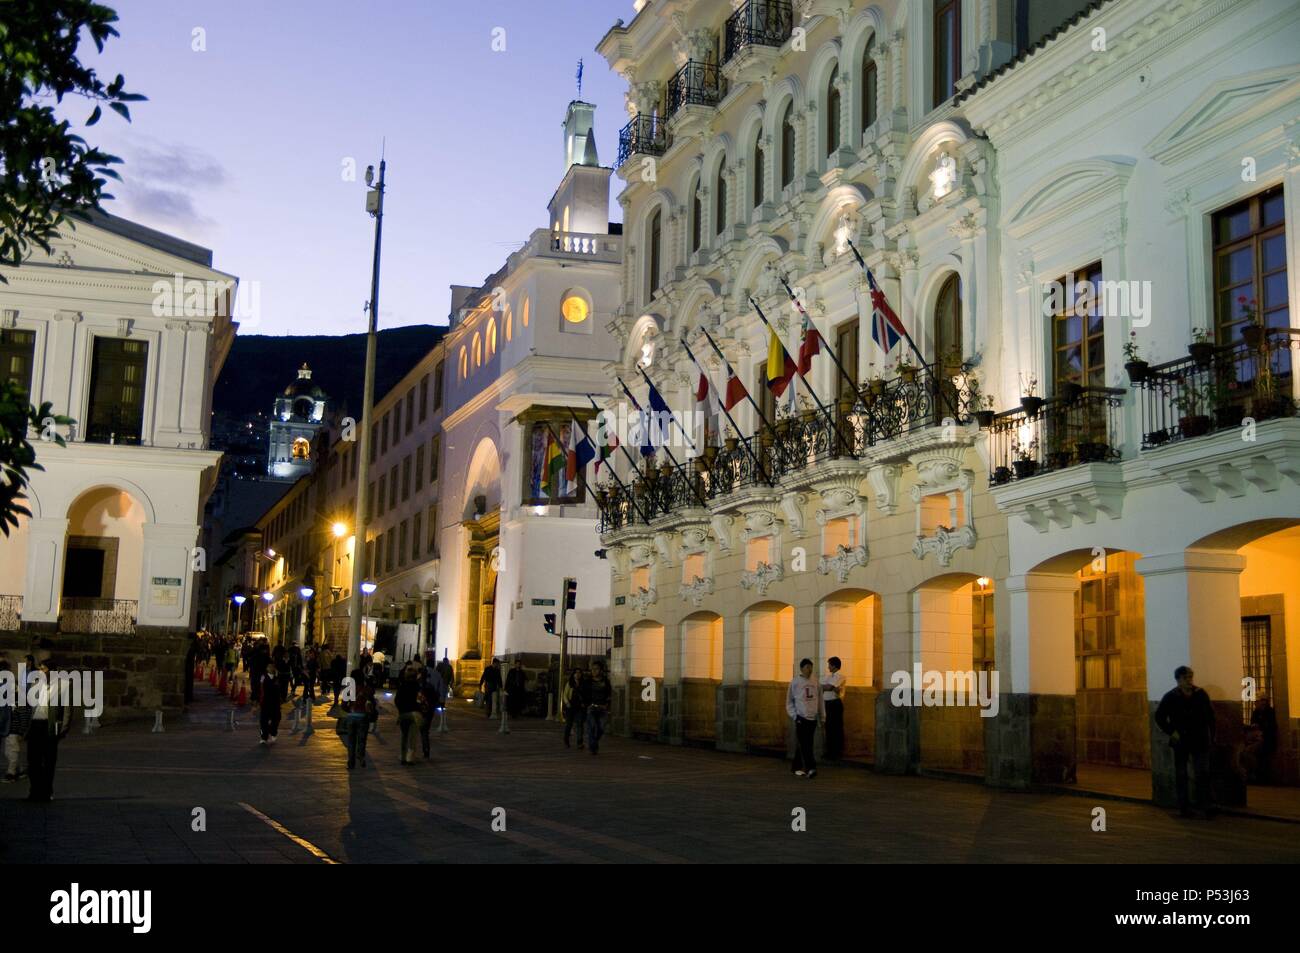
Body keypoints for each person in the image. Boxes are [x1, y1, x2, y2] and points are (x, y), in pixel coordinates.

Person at [1154, 665, 1217, 818]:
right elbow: (1159, 717)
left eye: (1190, 677)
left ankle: (1205, 805)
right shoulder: (1171, 696)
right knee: (1181, 774)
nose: (1189, 680)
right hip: (1181, 739)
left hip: (1200, 738)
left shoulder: (1200, 694)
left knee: (1203, 772)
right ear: (1178, 680)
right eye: (1185, 678)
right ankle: (1184, 807)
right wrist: (1172, 732)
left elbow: (1210, 716)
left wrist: (1212, 736)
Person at [26, 659, 68, 802]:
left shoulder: (63, 685)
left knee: (49, 761)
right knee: (33, 761)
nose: (40, 671)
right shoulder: (35, 683)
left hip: (50, 726)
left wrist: (63, 729)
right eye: (39, 669)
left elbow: (67, 710)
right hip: (35, 725)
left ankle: (46, 792)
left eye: (43, 669)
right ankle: (34, 791)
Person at [786, 658, 824, 778]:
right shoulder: (795, 682)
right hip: (801, 718)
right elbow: (789, 701)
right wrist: (794, 715)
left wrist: (822, 716)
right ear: (802, 668)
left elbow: (820, 700)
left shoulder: (816, 682)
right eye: (807, 667)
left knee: (804, 743)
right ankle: (811, 767)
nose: (810, 670)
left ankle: (796, 767)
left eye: (811, 667)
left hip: (812, 718)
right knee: (806, 743)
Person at [342, 667, 375, 769]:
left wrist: (350, 710)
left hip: (351, 716)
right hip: (363, 716)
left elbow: (343, 705)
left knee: (351, 741)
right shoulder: (367, 689)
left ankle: (351, 762)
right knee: (362, 739)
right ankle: (361, 756)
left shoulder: (349, 689)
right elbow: (372, 701)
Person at [581, 661, 612, 755]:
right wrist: (587, 704)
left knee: (601, 727)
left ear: (601, 670)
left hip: (602, 707)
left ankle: (594, 741)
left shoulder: (605, 681)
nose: (594, 671)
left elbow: (609, 694)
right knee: (592, 726)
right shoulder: (588, 682)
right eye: (592, 669)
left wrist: (607, 704)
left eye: (596, 669)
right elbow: (583, 693)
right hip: (591, 707)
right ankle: (593, 745)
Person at [395, 663, 423, 765]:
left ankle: (403, 757)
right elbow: (420, 700)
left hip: (403, 714)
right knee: (412, 736)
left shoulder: (402, 687)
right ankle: (410, 757)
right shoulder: (417, 687)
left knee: (404, 736)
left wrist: (401, 709)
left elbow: (397, 700)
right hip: (414, 714)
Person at [822, 657, 845, 761]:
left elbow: (829, 687)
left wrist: (827, 687)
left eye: (830, 665)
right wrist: (828, 687)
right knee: (828, 727)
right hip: (827, 703)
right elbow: (823, 687)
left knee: (836, 727)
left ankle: (837, 752)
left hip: (835, 703)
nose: (828, 667)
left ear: (835, 665)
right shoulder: (828, 676)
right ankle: (829, 751)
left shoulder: (840, 676)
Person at [1250, 697, 1278, 784]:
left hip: (1266, 739)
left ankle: (1258, 776)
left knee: (1251, 753)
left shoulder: (1269, 712)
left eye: (1257, 701)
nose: (1255, 703)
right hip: (1258, 738)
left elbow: (1270, 728)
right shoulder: (1256, 712)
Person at [259, 663, 283, 745]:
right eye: (269, 667)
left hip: (275, 702)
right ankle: (263, 737)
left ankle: (273, 732)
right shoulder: (263, 677)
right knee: (263, 720)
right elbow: (260, 688)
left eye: (272, 667)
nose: (270, 668)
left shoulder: (277, 678)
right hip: (266, 702)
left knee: (277, 718)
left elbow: (279, 690)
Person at [562, 669, 586, 749]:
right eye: (576, 673)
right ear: (573, 674)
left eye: (579, 673)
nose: (578, 674)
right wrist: (567, 703)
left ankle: (580, 742)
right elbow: (565, 694)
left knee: (580, 724)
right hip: (571, 706)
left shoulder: (583, 684)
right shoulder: (570, 683)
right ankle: (566, 740)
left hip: (579, 706)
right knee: (569, 724)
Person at [502, 658, 527, 734]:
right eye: (517, 663)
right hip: (512, 689)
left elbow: (524, 680)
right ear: (515, 664)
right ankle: (512, 713)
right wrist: (506, 688)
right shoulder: (511, 671)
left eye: (519, 664)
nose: (518, 665)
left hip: (519, 690)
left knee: (517, 701)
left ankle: (516, 713)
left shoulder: (522, 672)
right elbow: (508, 680)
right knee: (512, 701)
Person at [184, 632, 199, 705]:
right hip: (188, 668)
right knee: (187, 681)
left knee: (188, 681)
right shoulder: (190, 647)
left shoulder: (191, 647)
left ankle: (187, 698)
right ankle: (187, 698)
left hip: (188, 668)